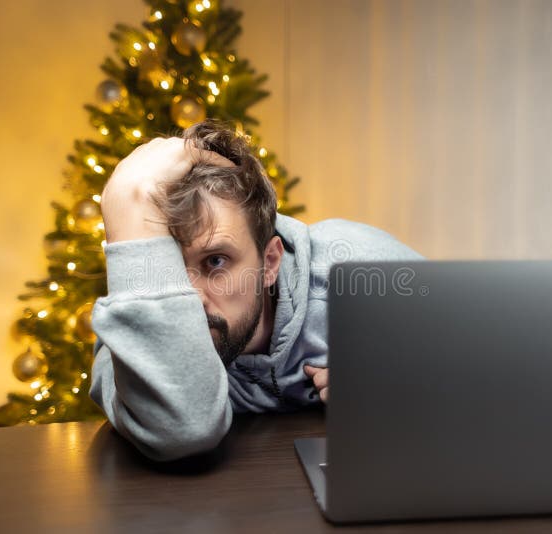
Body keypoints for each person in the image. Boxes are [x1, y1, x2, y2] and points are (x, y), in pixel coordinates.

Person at [90, 121, 423, 461]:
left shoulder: (362, 272)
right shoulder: (134, 335)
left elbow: (473, 373)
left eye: (215, 261)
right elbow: (181, 430)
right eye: (169, 269)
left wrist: (404, 390)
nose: (191, 299)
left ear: (270, 262)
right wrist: (129, 198)